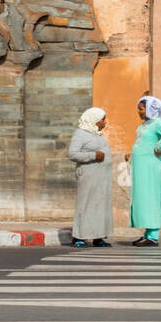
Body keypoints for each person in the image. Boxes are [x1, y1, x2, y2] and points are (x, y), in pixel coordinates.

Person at [129, 95, 161, 246]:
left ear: (149, 109)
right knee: (143, 198)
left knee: (151, 198)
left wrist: (158, 147)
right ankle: (147, 233)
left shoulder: (157, 123)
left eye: (141, 109)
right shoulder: (145, 124)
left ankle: (153, 236)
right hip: (142, 166)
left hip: (151, 166)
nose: (138, 112)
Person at [66, 106, 114, 248]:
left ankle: (98, 237)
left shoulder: (97, 134)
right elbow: (72, 154)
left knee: (100, 206)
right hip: (88, 175)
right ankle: (78, 237)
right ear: (93, 119)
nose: (105, 122)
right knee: (85, 204)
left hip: (102, 177)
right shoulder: (80, 134)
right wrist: (93, 156)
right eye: (102, 119)